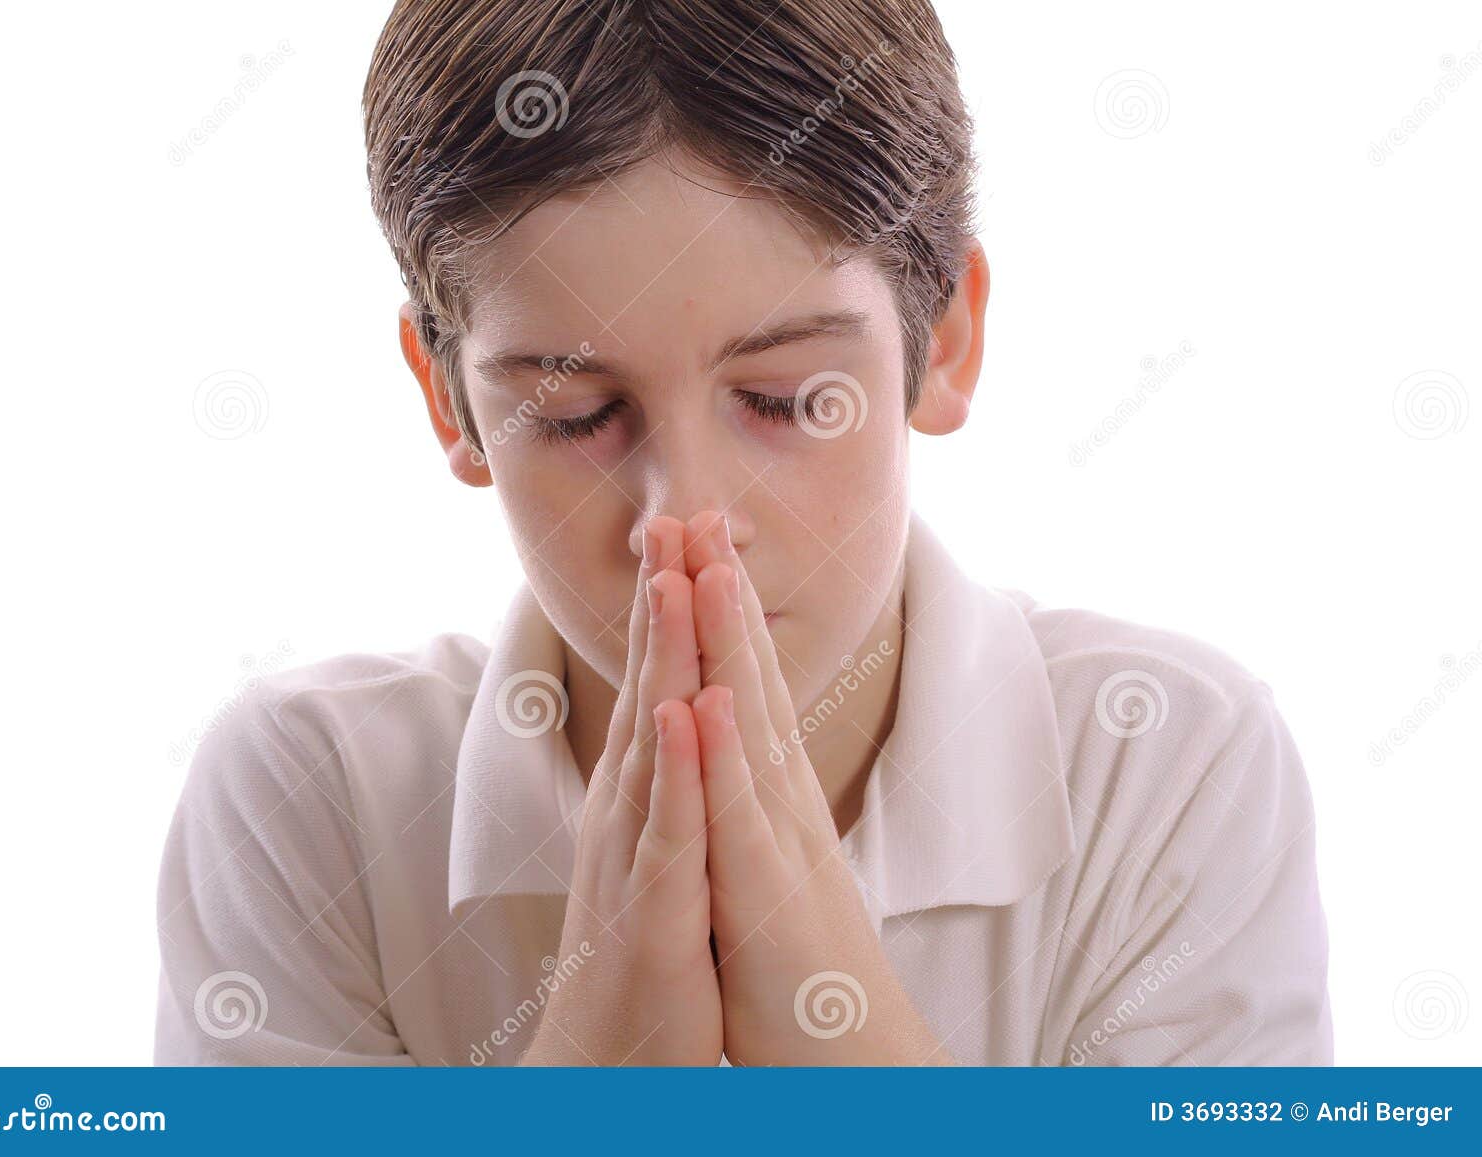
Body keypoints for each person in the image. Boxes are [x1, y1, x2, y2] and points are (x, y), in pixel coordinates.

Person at [154, 0, 1331, 1066]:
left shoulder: (1171, 764)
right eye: (575, 415)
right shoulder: (312, 795)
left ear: (948, 336)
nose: (684, 521)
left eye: (785, 400)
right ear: (450, 402)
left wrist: (835, 1025)